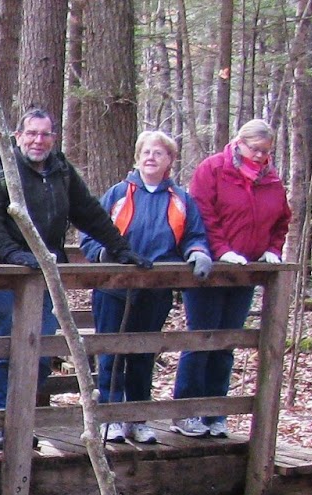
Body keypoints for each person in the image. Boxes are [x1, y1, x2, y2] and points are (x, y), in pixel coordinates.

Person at [0, 108, 151, 449]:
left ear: (53, 139)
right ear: (19, 136)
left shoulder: (61, 172)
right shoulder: (0, 170)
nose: (38, 140)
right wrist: (15, 255)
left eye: (45, 134)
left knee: (41, 351)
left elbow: (89, 212)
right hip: (8, 275)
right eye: (32, 133)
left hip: (46, 275)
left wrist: (120, 247)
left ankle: (24, 419)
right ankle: (2, 422)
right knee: (5, 348)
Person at [80, 130, 213, 445]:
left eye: (159, 153)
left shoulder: (180, 199)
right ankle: (108, 418)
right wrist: (103, 254)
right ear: (137, 157)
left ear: (169, 160)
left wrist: (198, 253)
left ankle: (137, 418)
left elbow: (194, 235)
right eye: (146, 152)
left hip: (156, 288)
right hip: (114, 287)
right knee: (110, 352)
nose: (151, 157)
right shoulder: (117, 194)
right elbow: (89, 234)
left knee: (142, 354)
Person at [174, 118, 291, 438]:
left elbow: (281, 219)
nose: (259, 156)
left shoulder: (271, 180)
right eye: (255, 149)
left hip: (245, 271)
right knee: (202, 338)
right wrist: (221, 250)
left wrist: (272, 249)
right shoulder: (212, 169)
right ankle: (186, 410)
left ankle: (216, 411)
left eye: (266, 152)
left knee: (228, 341)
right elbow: (202, 215)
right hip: (208, 269)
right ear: (239, 143)